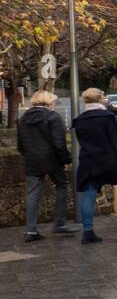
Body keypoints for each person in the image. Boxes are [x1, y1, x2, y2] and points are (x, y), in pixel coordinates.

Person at [72, 88, 117, 243]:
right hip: (110, 161)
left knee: (88, 196)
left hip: (88, 162)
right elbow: (116, 142)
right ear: (100, 99)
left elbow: (82, 141)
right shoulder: (108, 117)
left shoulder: (80, 120)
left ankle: (88, 233)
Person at [16, 90, 73, 242]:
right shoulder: (52, 117)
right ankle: (59, 223)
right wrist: (66, 160)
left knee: (33, 193)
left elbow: (20, 145)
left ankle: (31, 230)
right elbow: (59, 143)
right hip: (52, 160)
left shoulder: (22, 120)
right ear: (49, 103)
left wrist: (29, 154)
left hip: (32, 160)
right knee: (62, 185)